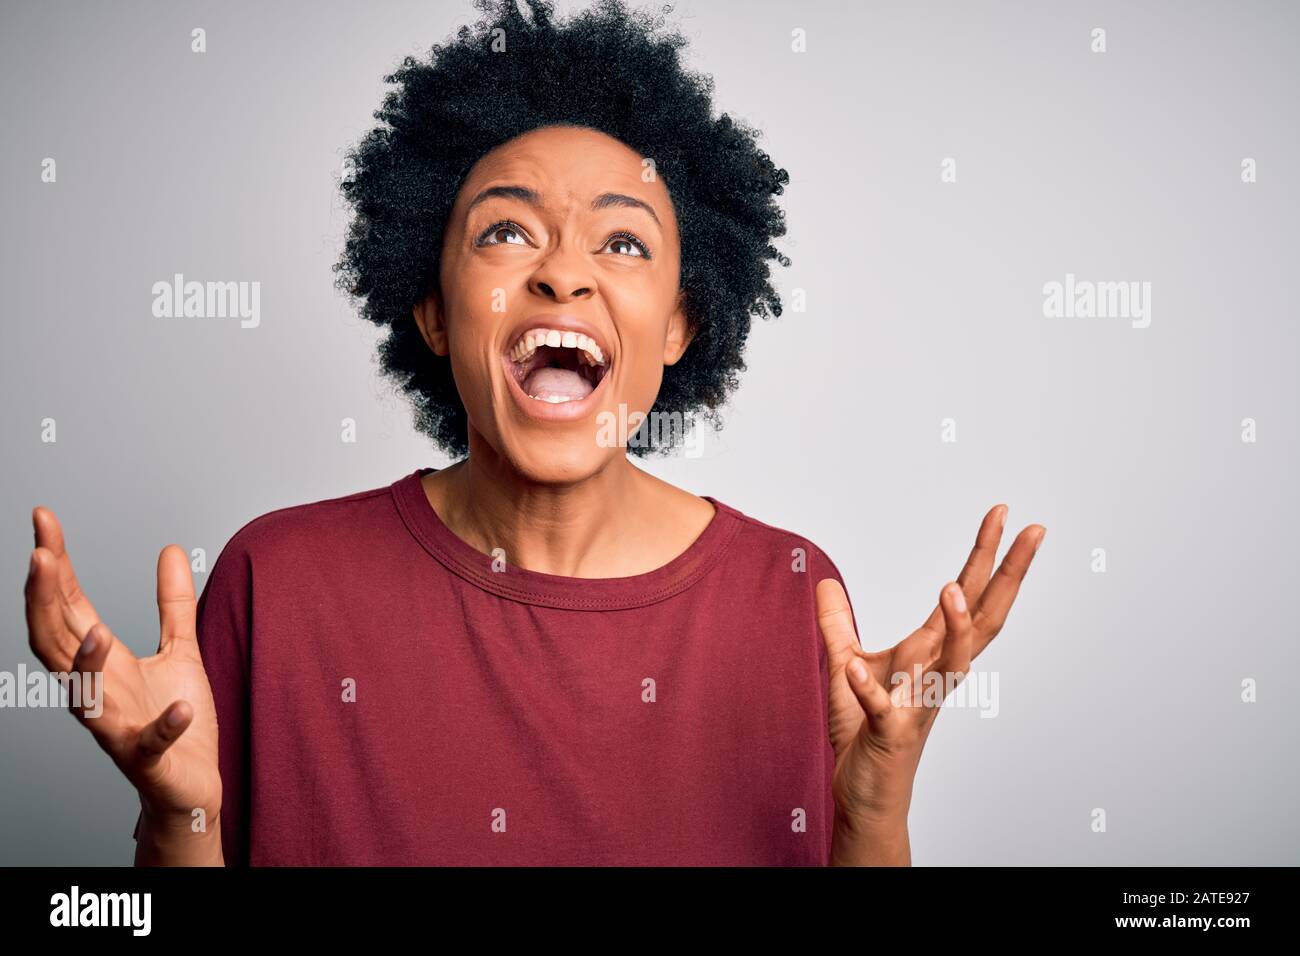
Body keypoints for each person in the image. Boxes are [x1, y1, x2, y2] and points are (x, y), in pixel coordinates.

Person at [23, 0, 1043, 866]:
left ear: (682, 325)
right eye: (506, 231)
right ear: (431, 308)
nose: (563, 272)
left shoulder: (790, 598)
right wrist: (177, 817)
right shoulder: (277, 580)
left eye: (622, 240)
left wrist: (871, 820)